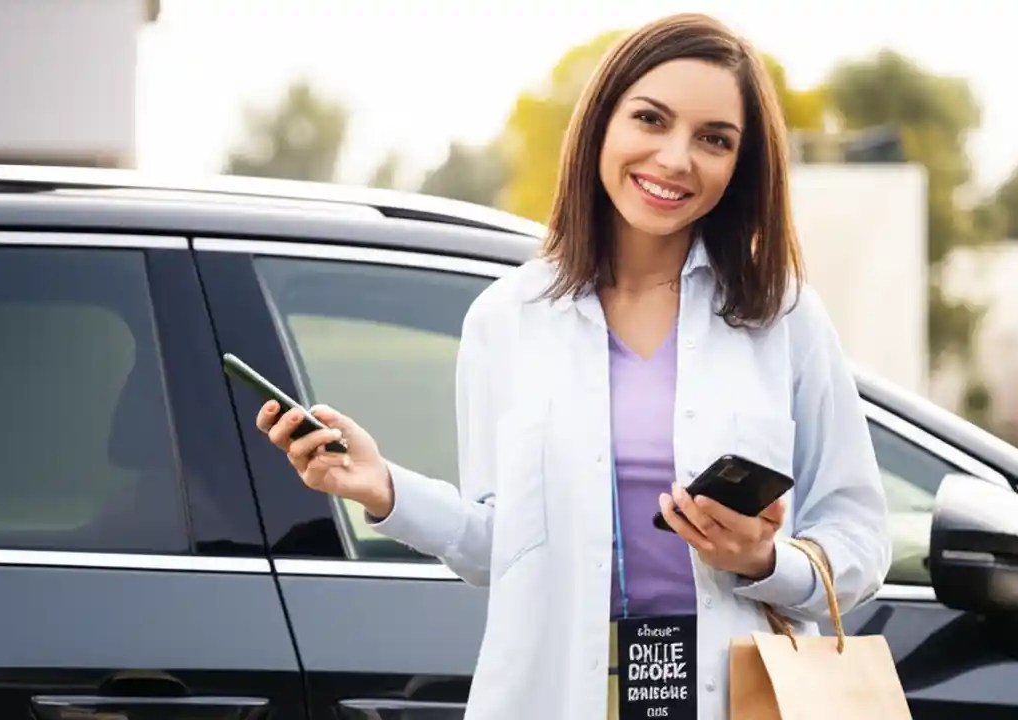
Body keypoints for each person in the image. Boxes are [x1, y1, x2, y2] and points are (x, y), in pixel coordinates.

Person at [255, 12, 890, 720]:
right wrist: (382, 489)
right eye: (651, 119)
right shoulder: (508, 320)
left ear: (742, 165)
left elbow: (859, 539)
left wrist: (763, 561)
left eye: (714, 139)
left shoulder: (782, 317)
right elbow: (503, 550)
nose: (677, 158)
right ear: (602, 125)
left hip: (729, 699)